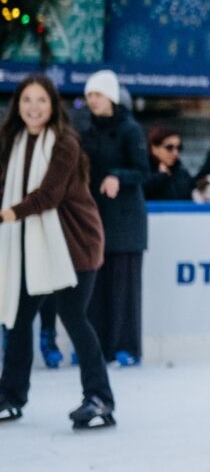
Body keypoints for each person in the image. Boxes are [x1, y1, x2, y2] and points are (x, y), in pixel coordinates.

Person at [0, 74, 116, 429]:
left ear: (53, 106)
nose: (33, 108)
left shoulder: (65, 142)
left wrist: (7, 214)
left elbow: (49, 195)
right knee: (18, 320)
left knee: (73, 317)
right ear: (17, 106)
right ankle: (10, 397)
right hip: (29, 244)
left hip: (74, 243)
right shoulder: (13, 141)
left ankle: (99, 400)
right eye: (26, 101)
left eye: (41, 101)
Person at [77, 69, 150, 368]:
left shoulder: (130, 129)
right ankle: (98, 346)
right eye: (89, 95)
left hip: (126, 221)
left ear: (110, 96)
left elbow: (143, 170)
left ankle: (125, 346)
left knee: (124, 287)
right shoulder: (86, 130)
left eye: (97, 94)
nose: (92, 100)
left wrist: (118, 177)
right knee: (96, 286)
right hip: (96, 218)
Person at [143, 127, 194, 201]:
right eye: (169, 148)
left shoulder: (183, 174)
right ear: (154, 149)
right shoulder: (142, 172)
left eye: (179, 148)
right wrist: (160, 177)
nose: (175, 153)